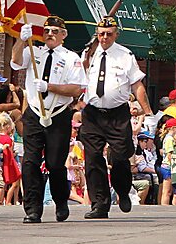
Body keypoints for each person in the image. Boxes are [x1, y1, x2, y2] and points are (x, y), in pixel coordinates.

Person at [11, 15, 88, 223]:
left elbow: (76, 89)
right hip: (35, 113)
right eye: (46, 31)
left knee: (55, 164)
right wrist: (20, 39)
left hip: (58, 115)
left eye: (55, 31)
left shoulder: (71, 58)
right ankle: (32, 209)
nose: (50, 35)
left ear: (63, 35)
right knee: (30, 162)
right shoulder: (34, 52)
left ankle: (60, 201)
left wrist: (50, 87)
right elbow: (16, 62)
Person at [78, 16, 154, 219]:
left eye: (109, 34)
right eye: (101, 33)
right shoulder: (88, 53)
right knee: (93, 158)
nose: (104, 37)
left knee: (120, 156)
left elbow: (137, 85)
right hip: (93, 113)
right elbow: (79, 78)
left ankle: (122, 190)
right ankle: (99, 204)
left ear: (116, 34)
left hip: (117, 113)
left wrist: (147, 112)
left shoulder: (125, 55)